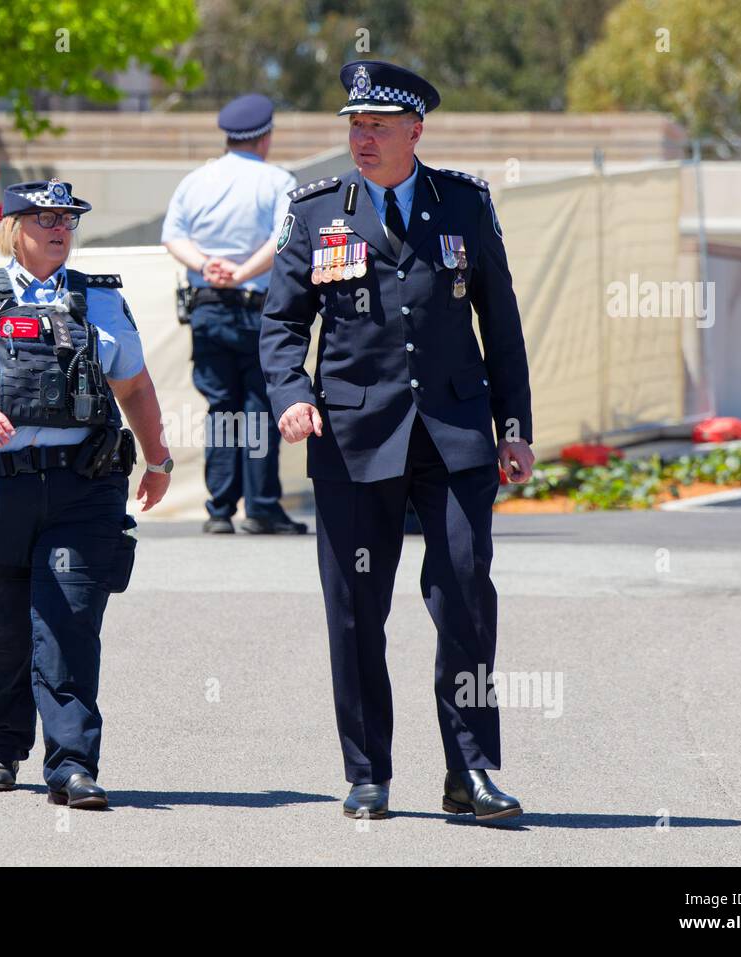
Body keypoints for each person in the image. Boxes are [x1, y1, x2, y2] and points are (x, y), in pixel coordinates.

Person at [259, 61, 536, 823]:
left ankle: (471, 771)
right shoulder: (317, 210)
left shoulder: (465, 206)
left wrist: (514, 430)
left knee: (467, 600)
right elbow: (281, 323)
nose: (363, 137)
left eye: (378, 125)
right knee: (354, 609)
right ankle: (367, 772)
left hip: (453, 437)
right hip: (352, 439)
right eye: (355, 124)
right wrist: (292, 396)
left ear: (417, 130)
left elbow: (501, 326)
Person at [0, 178, 172, 809]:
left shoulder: (98, 300)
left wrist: (158, 459)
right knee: (0, 629)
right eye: (43, 218)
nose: (58, 228)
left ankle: (72, 764)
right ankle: (1, 746)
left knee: (69, 623)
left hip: (84, 487)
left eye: (67, 220)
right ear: (12, 228)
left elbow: (135, 387)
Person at [161, 93, 305, 535]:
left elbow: (173, 236)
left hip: (207, 308)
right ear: (265, 137)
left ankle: (220, 509)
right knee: (260, 407)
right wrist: (243, 272)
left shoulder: (196, 180)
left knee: (222, 408)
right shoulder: (278, 181)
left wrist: (207, 266)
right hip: (256, 309)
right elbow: (283, 240)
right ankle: (261, 507)